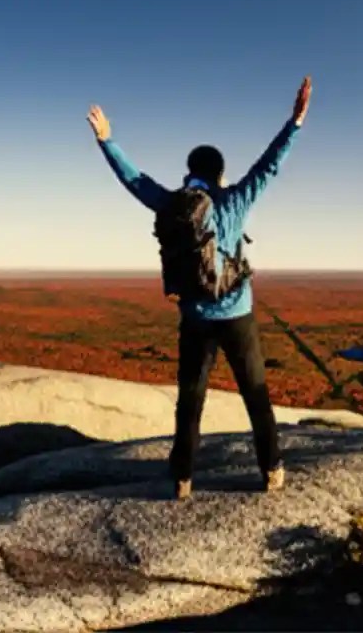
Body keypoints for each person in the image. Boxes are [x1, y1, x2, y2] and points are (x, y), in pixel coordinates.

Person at [87, 77, 312, 501]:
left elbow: (135, 181)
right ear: (219, 173)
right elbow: (269, 166)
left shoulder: (174, 203)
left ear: (190, 172)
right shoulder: (234, 202)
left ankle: (183, 479)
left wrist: (107, 141)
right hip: (237, 316)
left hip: (194, 318)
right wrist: (294, 122)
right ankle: (271, 471)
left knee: (190, 403)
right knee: (255, 396)